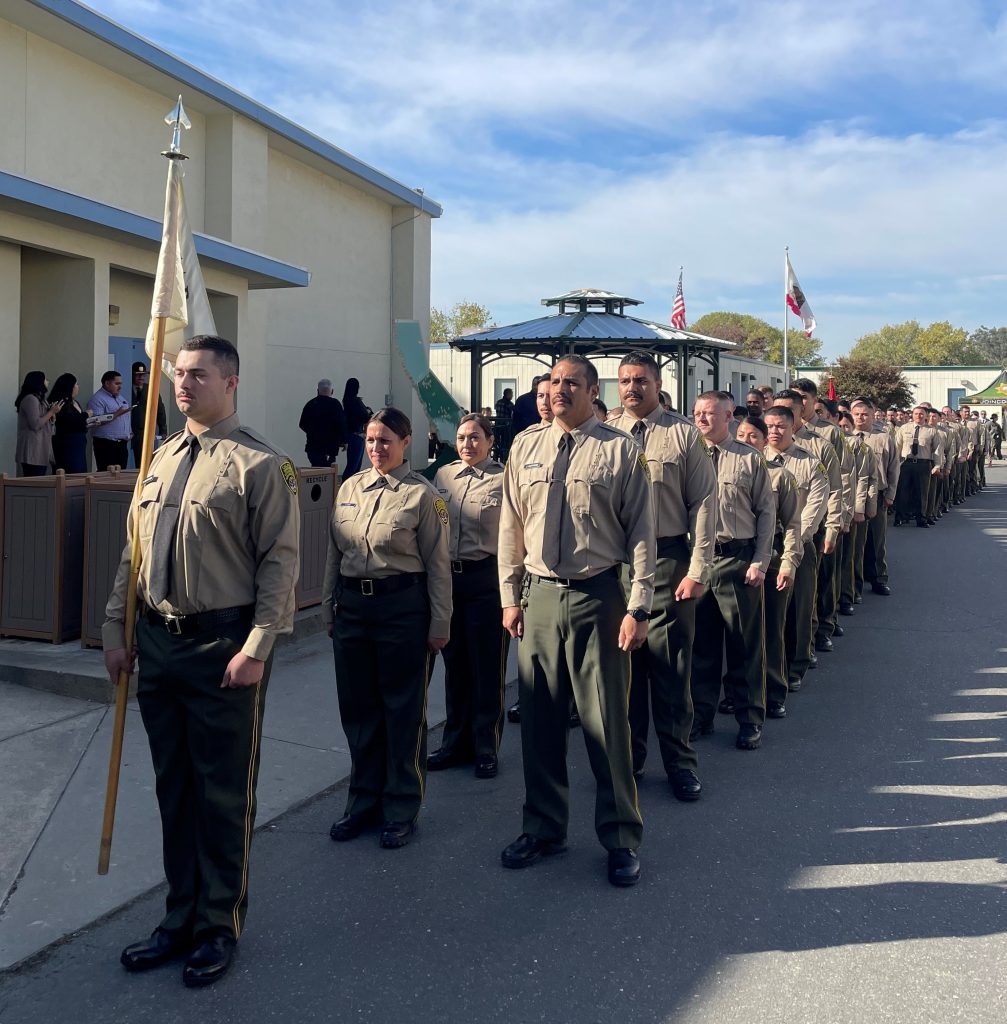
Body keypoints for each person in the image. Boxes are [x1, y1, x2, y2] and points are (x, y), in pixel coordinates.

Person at [105, 336, 300, 987]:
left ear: (230, 382)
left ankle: (217, 925)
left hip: (222, 649)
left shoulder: (261, 465)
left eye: (198, 375)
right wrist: (115, 627)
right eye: (179, 375)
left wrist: (258, 645)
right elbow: (133, 552)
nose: (183, 385)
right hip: (157, 646)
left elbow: (279, 562)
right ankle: (178, 917)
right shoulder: (157, 459)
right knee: (175, 790)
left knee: (221, 796)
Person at [498, 355, 654, 887]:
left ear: (593, 391)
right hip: (539, 597)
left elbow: (640, 535)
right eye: (554, 382)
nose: (559, 390)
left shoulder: (619, 449)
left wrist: (638, 606)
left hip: (598, 597)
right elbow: (511, 525)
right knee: (539, 721)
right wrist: (509, 596)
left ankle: (620, 836)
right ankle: (543, 826)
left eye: (572, 383)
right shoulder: (525, 445)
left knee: (606, 723)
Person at [322, 407, 451, 850]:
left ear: (406, 443)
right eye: (372, 440)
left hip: (402, 610)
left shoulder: (423, 497)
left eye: (386, 441)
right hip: (354, 609)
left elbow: (438, 567)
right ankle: (363, 801)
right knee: (359, 711)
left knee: (402, 711)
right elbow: (334, 555)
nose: (377, 448)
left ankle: (400, 806)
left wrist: (439, 623)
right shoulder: (349, 488)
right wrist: (328, 608)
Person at [610, 351, 715, 801]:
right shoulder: (604, 432)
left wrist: (698, 570)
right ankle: (629, 761)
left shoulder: (683, 435)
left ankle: (680, 763)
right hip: (615, 566)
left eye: (641, 380)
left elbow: (705, 505)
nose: (632, 388)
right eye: (625, 380)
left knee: (670, 672)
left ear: (657, 384)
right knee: (624, 675)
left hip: (667, 561)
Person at [690, 391, 774, 750]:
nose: (702, 420)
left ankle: (750, 717)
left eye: (709, 413)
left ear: (730, 417)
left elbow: (767, 514)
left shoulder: (749, 459)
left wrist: (760, 560)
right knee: (701, 647)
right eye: (696, 413)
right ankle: (702, 714)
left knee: (743, 646)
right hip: (697, 563)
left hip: (737, 560)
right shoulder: (687, 457)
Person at [428, 414, 507, 779]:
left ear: (490, 441)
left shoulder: (503, 479)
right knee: (455, 665)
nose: (467, 445)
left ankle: (486, 745)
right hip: (449, 581)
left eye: (475, 437)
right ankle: (453, 741)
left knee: (486, 667)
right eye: (461, 438)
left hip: (486, 580)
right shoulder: (443, 476)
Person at [736, 413, 808, 720]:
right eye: (741, 435)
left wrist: (789, 561)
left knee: (770, 626)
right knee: (740, 630)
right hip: (740, 552)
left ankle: (774, 690)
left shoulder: (780, 475)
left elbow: (792, 523)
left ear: (765, 441)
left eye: (753, 436)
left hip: (774, 551)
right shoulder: (723, 468)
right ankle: (737, 691)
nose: (747, 441)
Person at [762, 405, 829, 702]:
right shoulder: (754, 458)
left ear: (793, 428)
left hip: (799, 543)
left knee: (798, 609)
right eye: (770, 426)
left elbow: (814, 509)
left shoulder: (810, 463)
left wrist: (793, 542)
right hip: (762, 547)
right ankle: (764, 671)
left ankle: (795, 666)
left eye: (780, 426)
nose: (774, 431)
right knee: (767, 616)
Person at [854, 398, 899, 596]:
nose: (860, 418)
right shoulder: (845, 437)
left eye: (865, 414)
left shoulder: (883, 437)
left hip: (877, 495)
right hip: (851, 496)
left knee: (876, 540)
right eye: (857, 414)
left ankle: (879, 578)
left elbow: (893, 467)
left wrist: (890, 494)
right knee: (854, 544)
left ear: (873, 416)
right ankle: (854, 583)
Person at [894, 406, 943, 527]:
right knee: (903, 491)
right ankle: (900, 517)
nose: (918, 416)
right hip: (906, 463)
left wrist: (937, 465)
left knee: (922, 493)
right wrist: (894, 464)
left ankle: (921, 518)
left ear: (926, 416)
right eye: (916, 413)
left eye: (921, 414)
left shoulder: (931, 431)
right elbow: (897, 446)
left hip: (923, 464)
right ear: (912, 415)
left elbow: (937, 449)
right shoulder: (904, 428)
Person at [15, 370, 59, 476]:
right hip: (32, 449)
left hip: (41, 447)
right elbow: (35, 424)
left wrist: (52, 416)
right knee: (34, 481)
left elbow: (45, 420)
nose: (48, 382)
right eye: (45, 379)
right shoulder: (30, 399)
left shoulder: (41, 399)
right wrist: (51, 412)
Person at [88, 370, 132, 471]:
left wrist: (129, 432)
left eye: (120, 384)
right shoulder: (97, 399)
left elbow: (125, 417)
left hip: (122, 444)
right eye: (116, 383)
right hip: (106, 444)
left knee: (121, 474)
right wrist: (116, 414)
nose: (120, 387)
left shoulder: (120, 398)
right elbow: (96, 421)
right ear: (107, 383)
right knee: (107, 474)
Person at [298, 378, 347, 468]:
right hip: (329, 448)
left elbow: (302, 424)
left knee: (315, 471)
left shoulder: (310, 404)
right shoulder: (335, 405)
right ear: (332, 391)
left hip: (312, 446)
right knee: (327, 474)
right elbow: (341, 425)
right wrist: (344, 441)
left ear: (317, 390)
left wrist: (313, 433)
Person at [130, 361, 168, 470]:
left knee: (145, 463)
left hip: (145, 431)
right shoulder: (126, 387)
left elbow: (160, 411)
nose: (141, 377)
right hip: (129, 431)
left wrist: (163, 430)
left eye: (143, 375)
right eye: (138, 374)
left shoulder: (151, 389)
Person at [49, 373, 89, 473]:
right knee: (70, 471)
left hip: (79, 441)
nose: (78, 387)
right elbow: (68, 421)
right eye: (76, 384)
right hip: (66, 443)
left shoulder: (75, 402)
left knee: (80, 471)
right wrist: (85, 415)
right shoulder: (60, 403)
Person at [341, 377, 371, 478]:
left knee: (352, 464)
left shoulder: (346, 400)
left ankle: (347, 486)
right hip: (357, 435)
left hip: (352, 434)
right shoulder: (355, 401)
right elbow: (365, 416)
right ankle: (347, 487)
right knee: (354, 466)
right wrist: (368, 411)